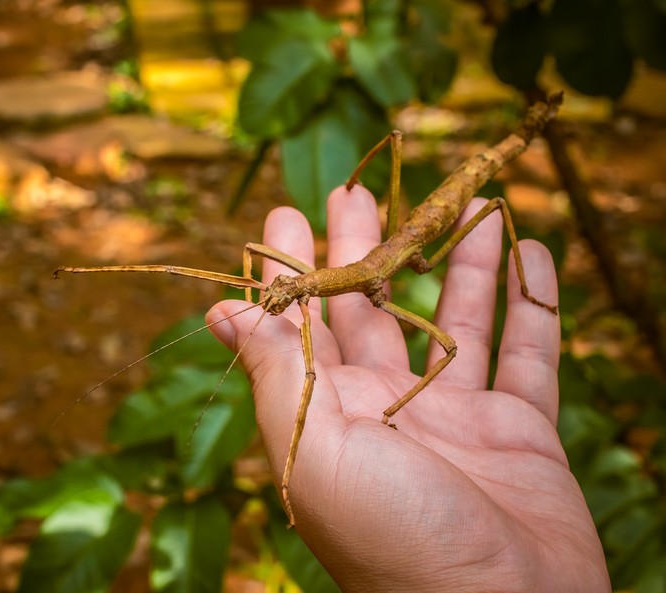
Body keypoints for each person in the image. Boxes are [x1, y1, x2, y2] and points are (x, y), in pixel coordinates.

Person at [206, 185, 610, 593]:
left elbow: (317, 371)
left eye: (291, 291)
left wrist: (384, 415)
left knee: (454, 331)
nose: (281, 298)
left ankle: (525, 289)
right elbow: (251, 251)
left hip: (413, 243)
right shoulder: (310, 287)